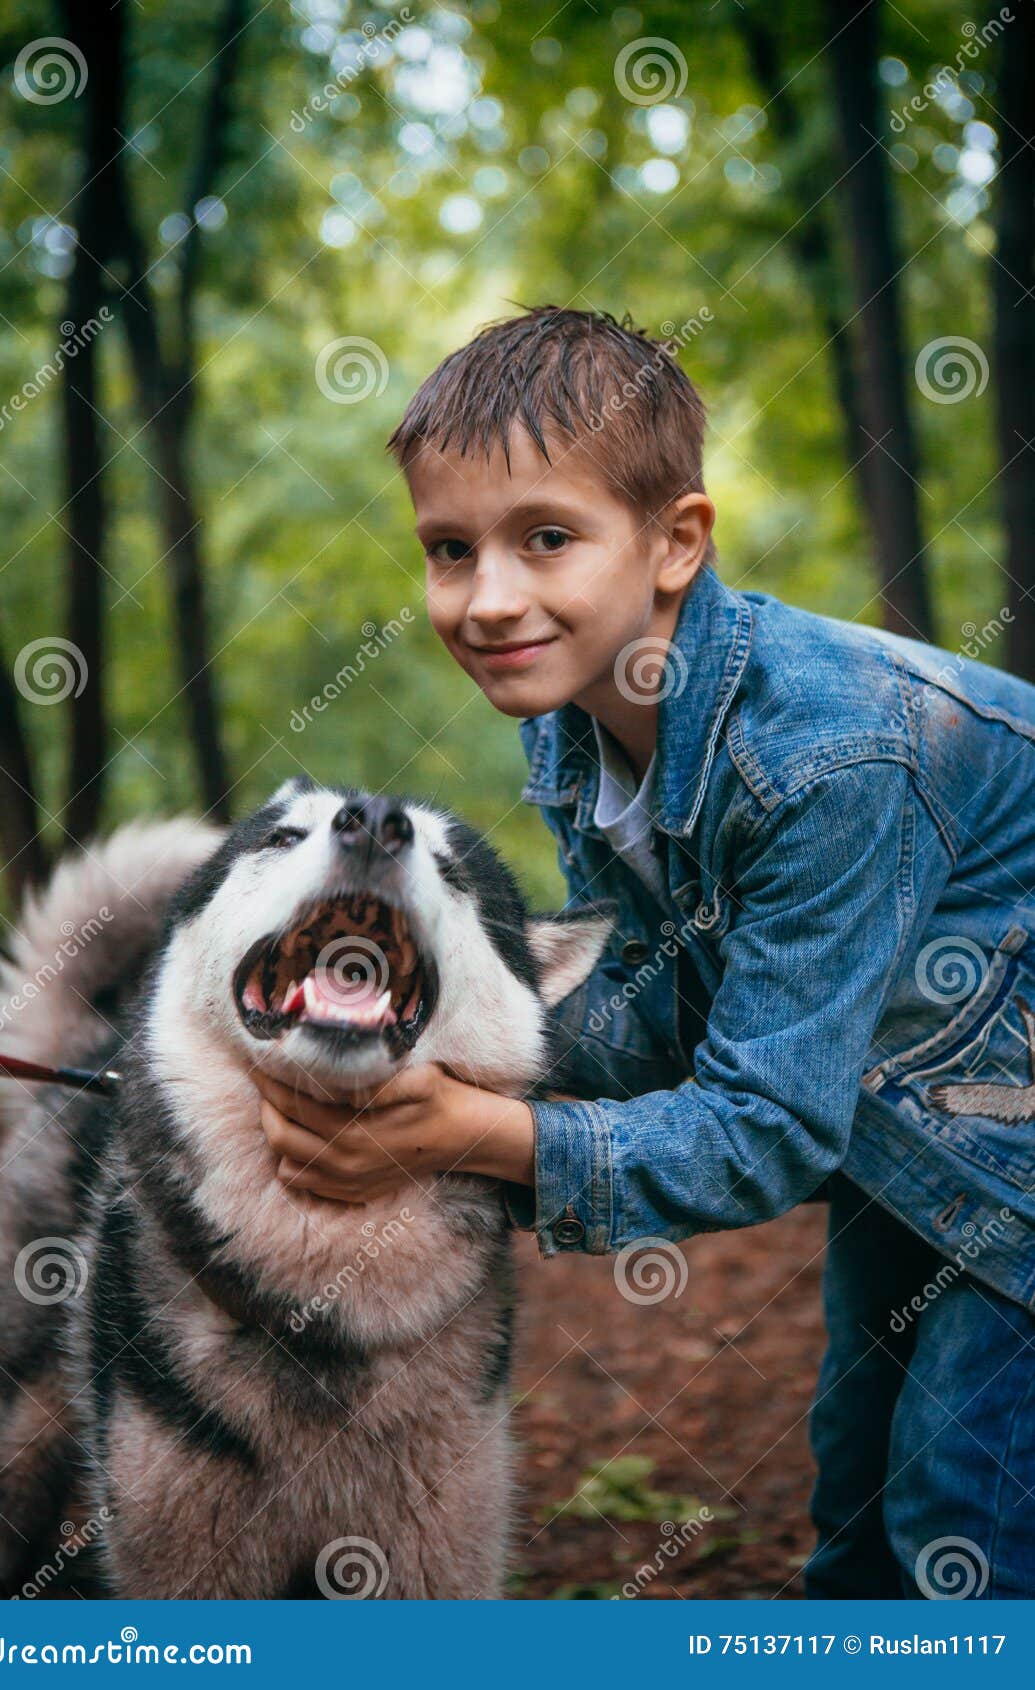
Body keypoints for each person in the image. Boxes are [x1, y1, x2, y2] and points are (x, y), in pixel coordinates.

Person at [254, 306, 1035, 1599]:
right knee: (856, 1493)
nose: (488, 597)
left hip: (1009, 1141)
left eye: (545, 538)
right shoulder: (576, 717)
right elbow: (654, 1000)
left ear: (676, 542)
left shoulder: (830, 762)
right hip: (916, 1114)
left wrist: (474, 1136)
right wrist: (430, 1069)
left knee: (968, 1519)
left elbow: (767, 1126)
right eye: (449, 550)